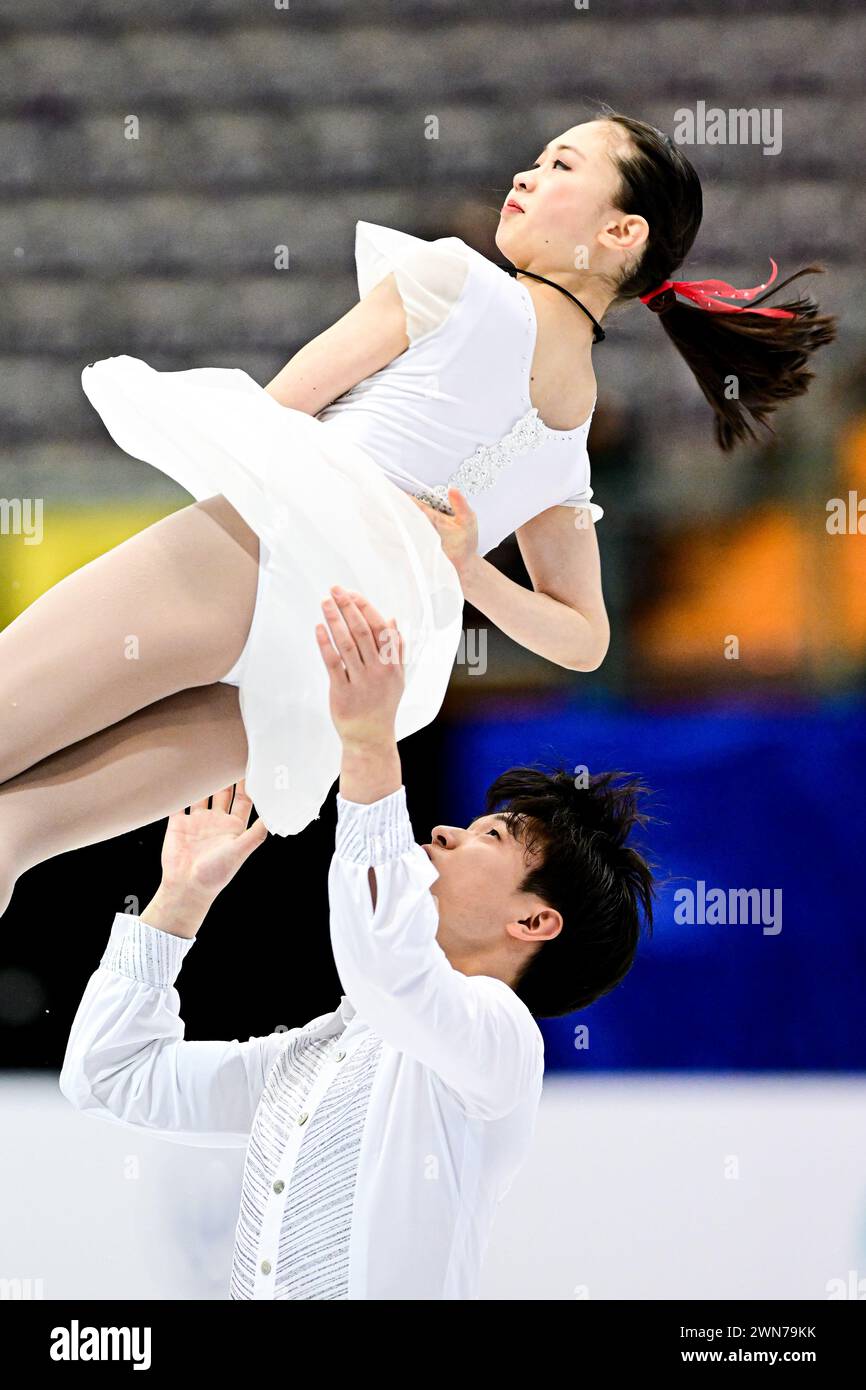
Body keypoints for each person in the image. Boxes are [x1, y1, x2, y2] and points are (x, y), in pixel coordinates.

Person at [0, 110, 834, 917]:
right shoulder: (571, 440)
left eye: (562, 166)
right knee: (14, 830)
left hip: (255, 555)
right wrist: (467, 570)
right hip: (342, 663)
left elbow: (284, 410)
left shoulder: (455, 281)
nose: (527, 174)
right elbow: (585, 641)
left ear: (622, 233)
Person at [59, 587, 655, 1300]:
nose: (444, 832)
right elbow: (108, 1076)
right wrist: (179, 900)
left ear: (534, 921)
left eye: (489, 836)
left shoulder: (500, 1046)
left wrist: (370, 741)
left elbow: (386, 966)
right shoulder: (322, 1054)